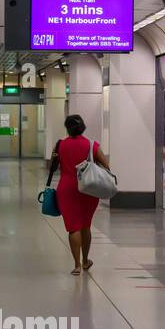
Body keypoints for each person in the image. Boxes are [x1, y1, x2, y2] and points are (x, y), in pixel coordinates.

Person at [49, 114, 111, 275]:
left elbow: (53, 167)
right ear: (82, 127)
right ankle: (85, 261)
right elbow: (107, 166)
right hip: (88, 189)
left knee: (73, 227)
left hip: (67, 189)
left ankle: (76, 265)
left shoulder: (60, 145)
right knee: (85, 225)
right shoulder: (92, 145)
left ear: (67, 128)